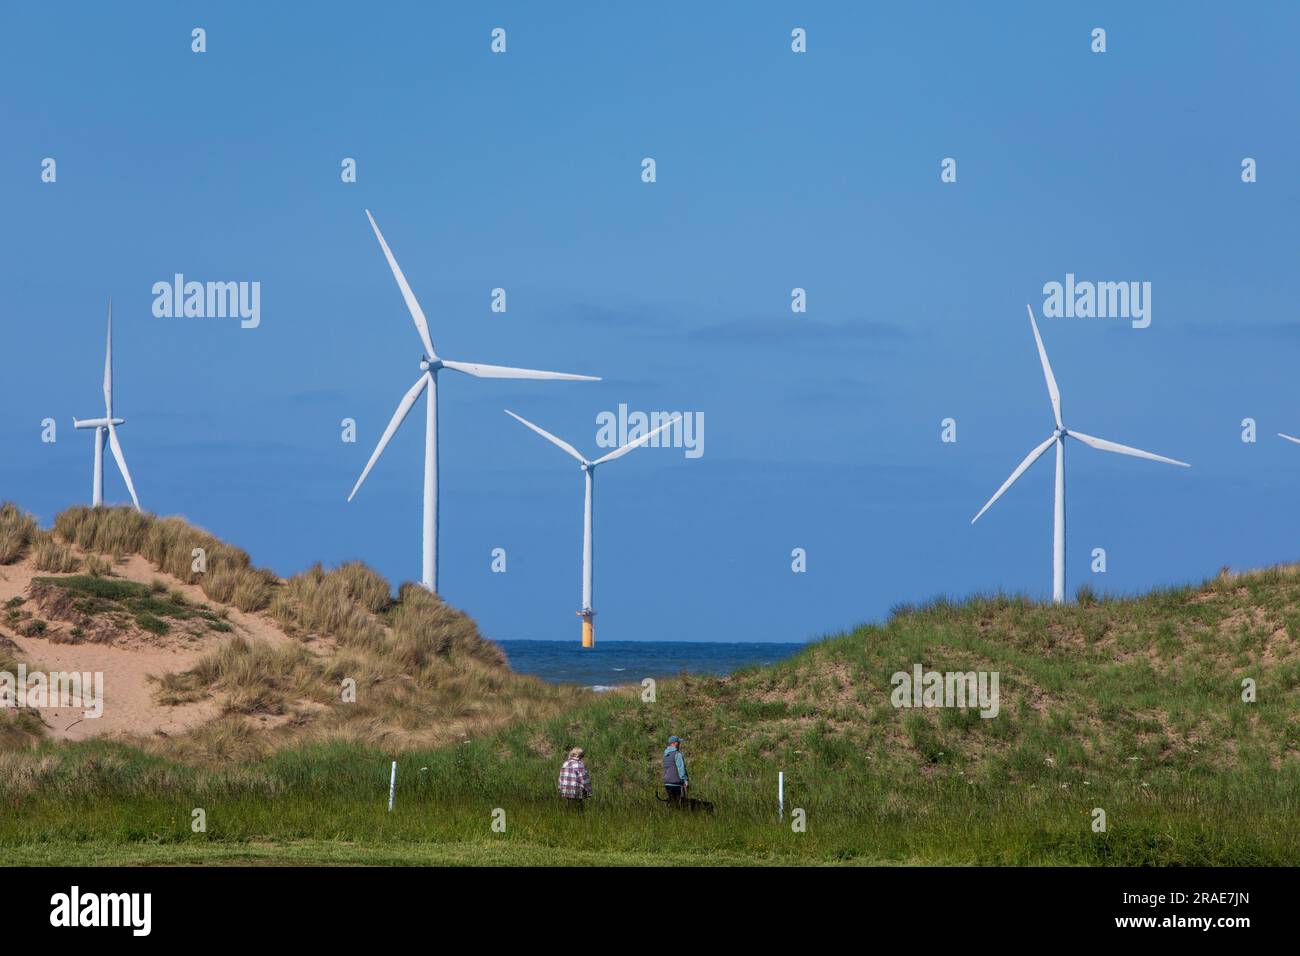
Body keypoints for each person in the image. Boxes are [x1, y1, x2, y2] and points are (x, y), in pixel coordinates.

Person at [662, 735, 689, 803]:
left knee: (672, 803)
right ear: (675, 743)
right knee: (679, 804)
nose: (679, 744)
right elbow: (681, 769)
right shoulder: (677, 754)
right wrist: (685, 780)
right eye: (678, 742)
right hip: (676, 783)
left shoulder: (665, 755)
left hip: (667, 783)